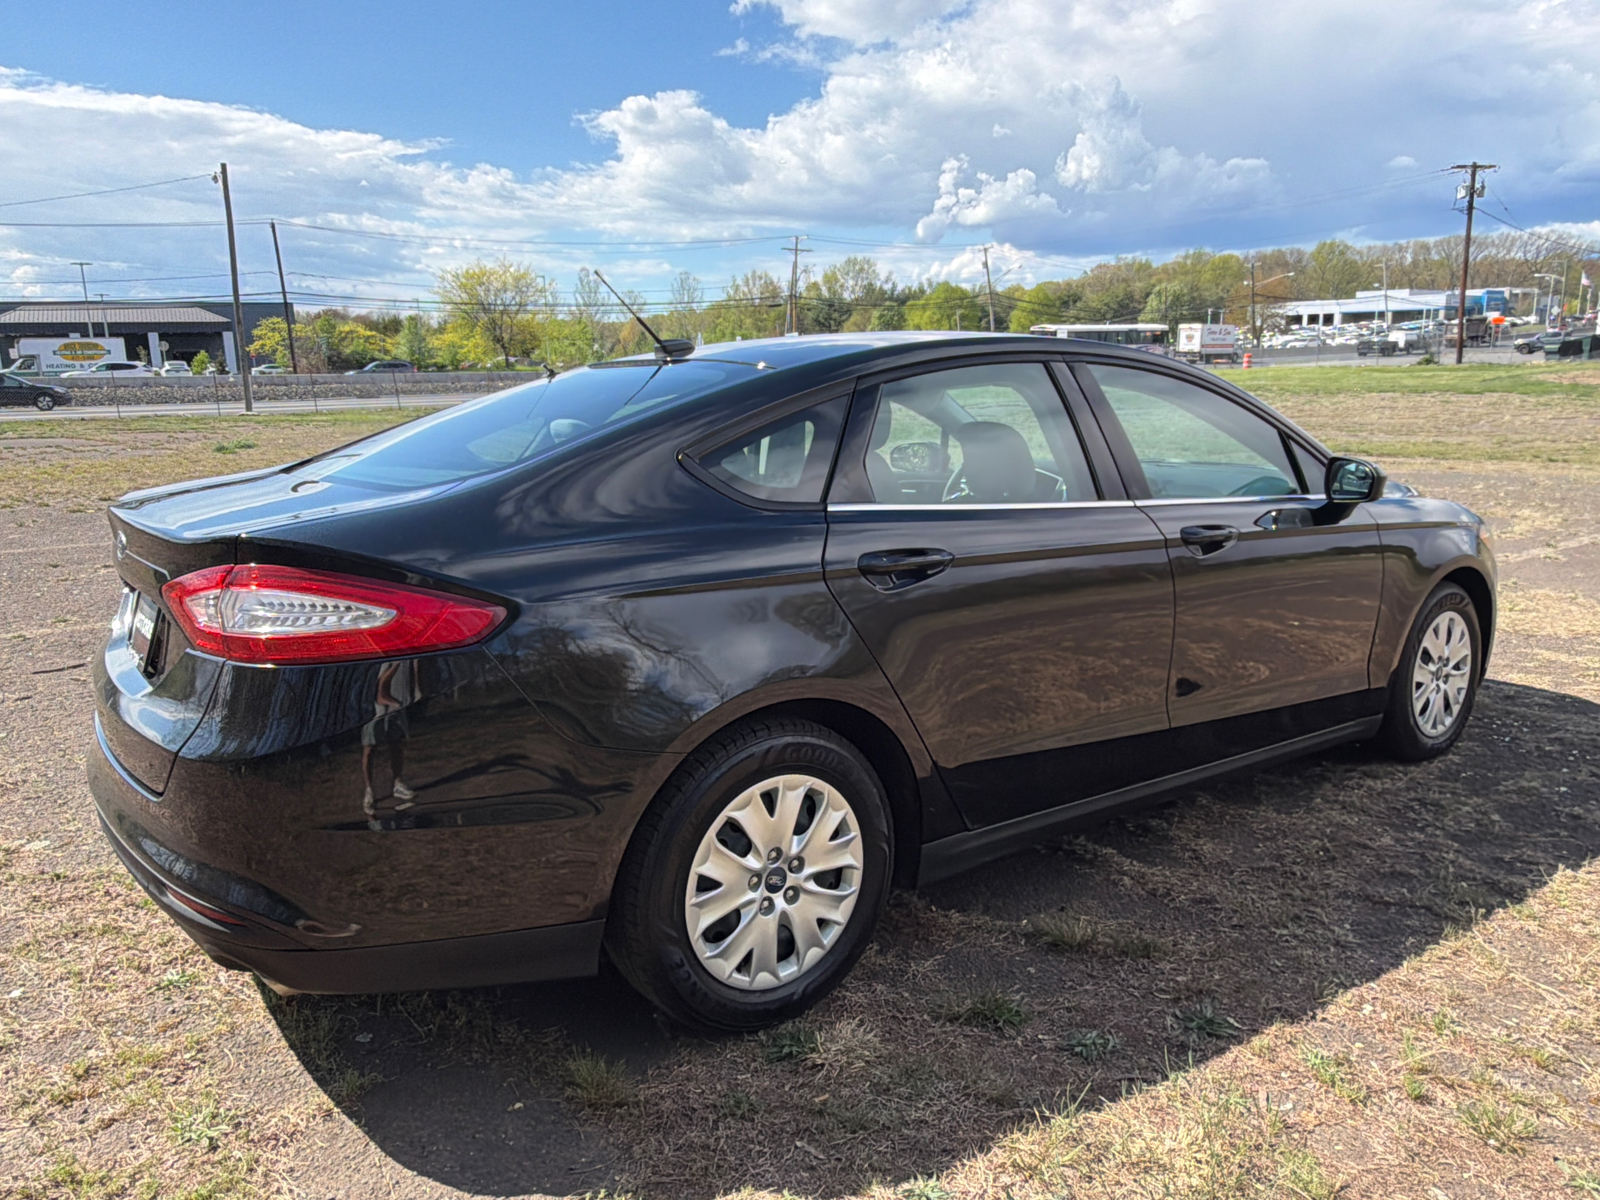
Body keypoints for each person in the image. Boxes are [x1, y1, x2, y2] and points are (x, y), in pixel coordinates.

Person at [361, 659, 420, 819]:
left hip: (395, 709)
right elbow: (380, 693)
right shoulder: (388, 662)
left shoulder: (408, 660)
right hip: (376, 711)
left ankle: (398, 783)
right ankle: (369, 790)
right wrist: (394, 703)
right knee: (370, 749)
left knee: (396, 744)